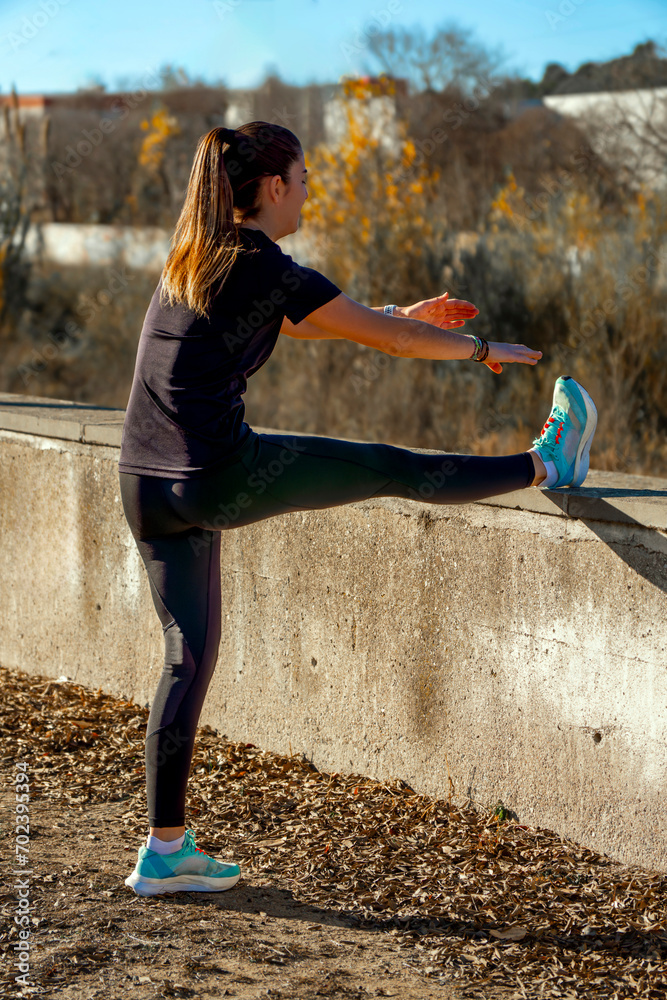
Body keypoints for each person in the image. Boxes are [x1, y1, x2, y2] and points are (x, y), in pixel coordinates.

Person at [118, 122, 597, 897]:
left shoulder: (196, 255)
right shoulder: (261, 261)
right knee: (387, 468)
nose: (309, 193)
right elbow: (387, 343)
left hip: (143, 485)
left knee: (185, 658)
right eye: (304, 179)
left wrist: (402, 314)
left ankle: (164, 851)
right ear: (274, 187)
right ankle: (549, 462)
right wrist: (481, 350)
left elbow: (310, 320)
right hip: (214, 475)